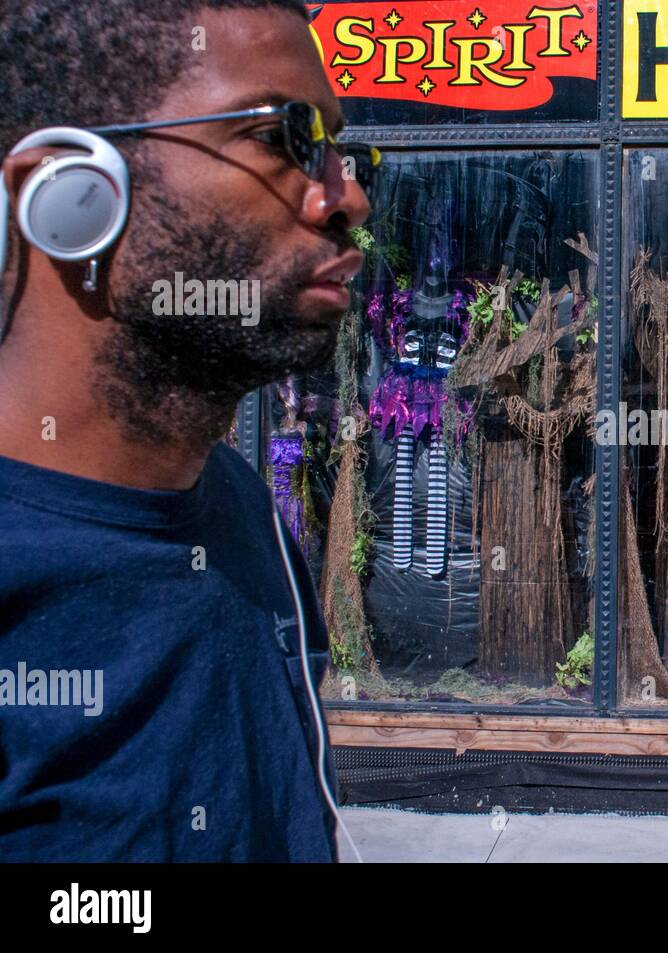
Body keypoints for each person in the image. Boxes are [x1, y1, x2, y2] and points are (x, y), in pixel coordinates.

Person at [0, 0, 374, 861]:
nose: (345, 196)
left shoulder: (242, 513)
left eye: (345, 152)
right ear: (70, 193)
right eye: (287, 134)